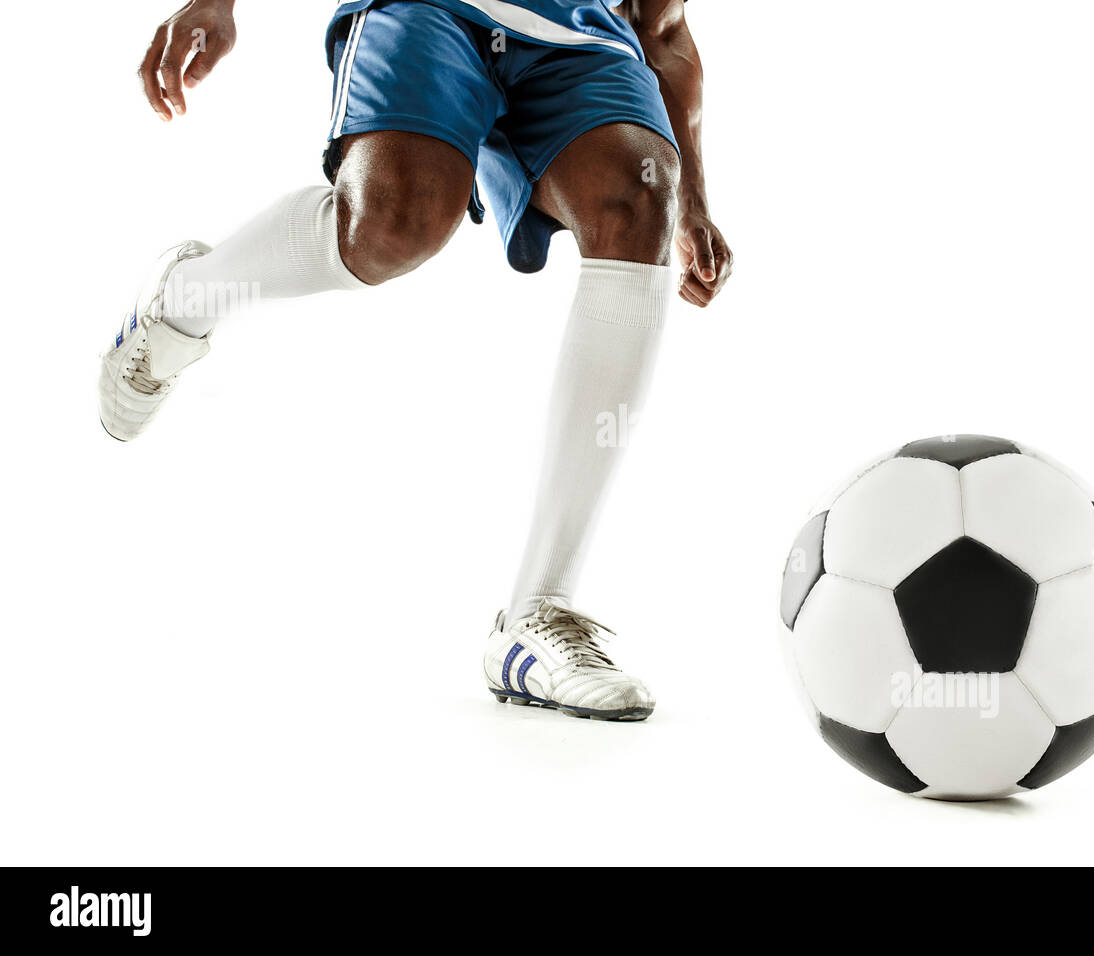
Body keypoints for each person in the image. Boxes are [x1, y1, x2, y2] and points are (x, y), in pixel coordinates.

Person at [99, 0, 733, 721]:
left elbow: (663, 27)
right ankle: (184, 301)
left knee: (642, 192)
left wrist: (695, 202)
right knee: (392, 223)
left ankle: (538, 613)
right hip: (427, 7)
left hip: (577, 32)